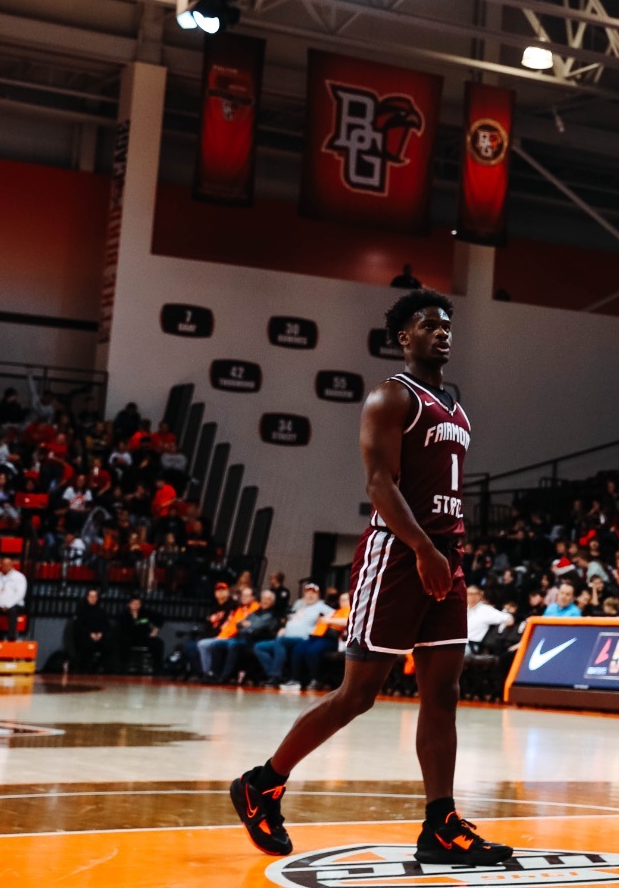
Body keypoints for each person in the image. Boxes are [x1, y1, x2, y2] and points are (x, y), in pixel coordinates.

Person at [230, 290, 513, 868]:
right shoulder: (391, 396)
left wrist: (446, 550)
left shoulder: (454, 404)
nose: (442, 332)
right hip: (399, 554)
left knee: (443, 693)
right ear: (402, 337)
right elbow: (380, 485)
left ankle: (441, 824)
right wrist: (423, 548)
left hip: (443, 554)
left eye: (446, 324)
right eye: (428, 325)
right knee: (359, 694)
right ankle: (263, 782)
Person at [70, 587, 110, 671]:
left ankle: (96, 669)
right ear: (87, 597)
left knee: (109, 648)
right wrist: (90, 634)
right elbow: (79, 626)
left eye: (95, 596)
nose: (93, 598)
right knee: (87, 647)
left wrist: (100, 633)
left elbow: (106, 625)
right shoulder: (81, 611)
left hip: (99, 637)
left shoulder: (101, 611)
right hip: (85, 637)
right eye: (91, 596)